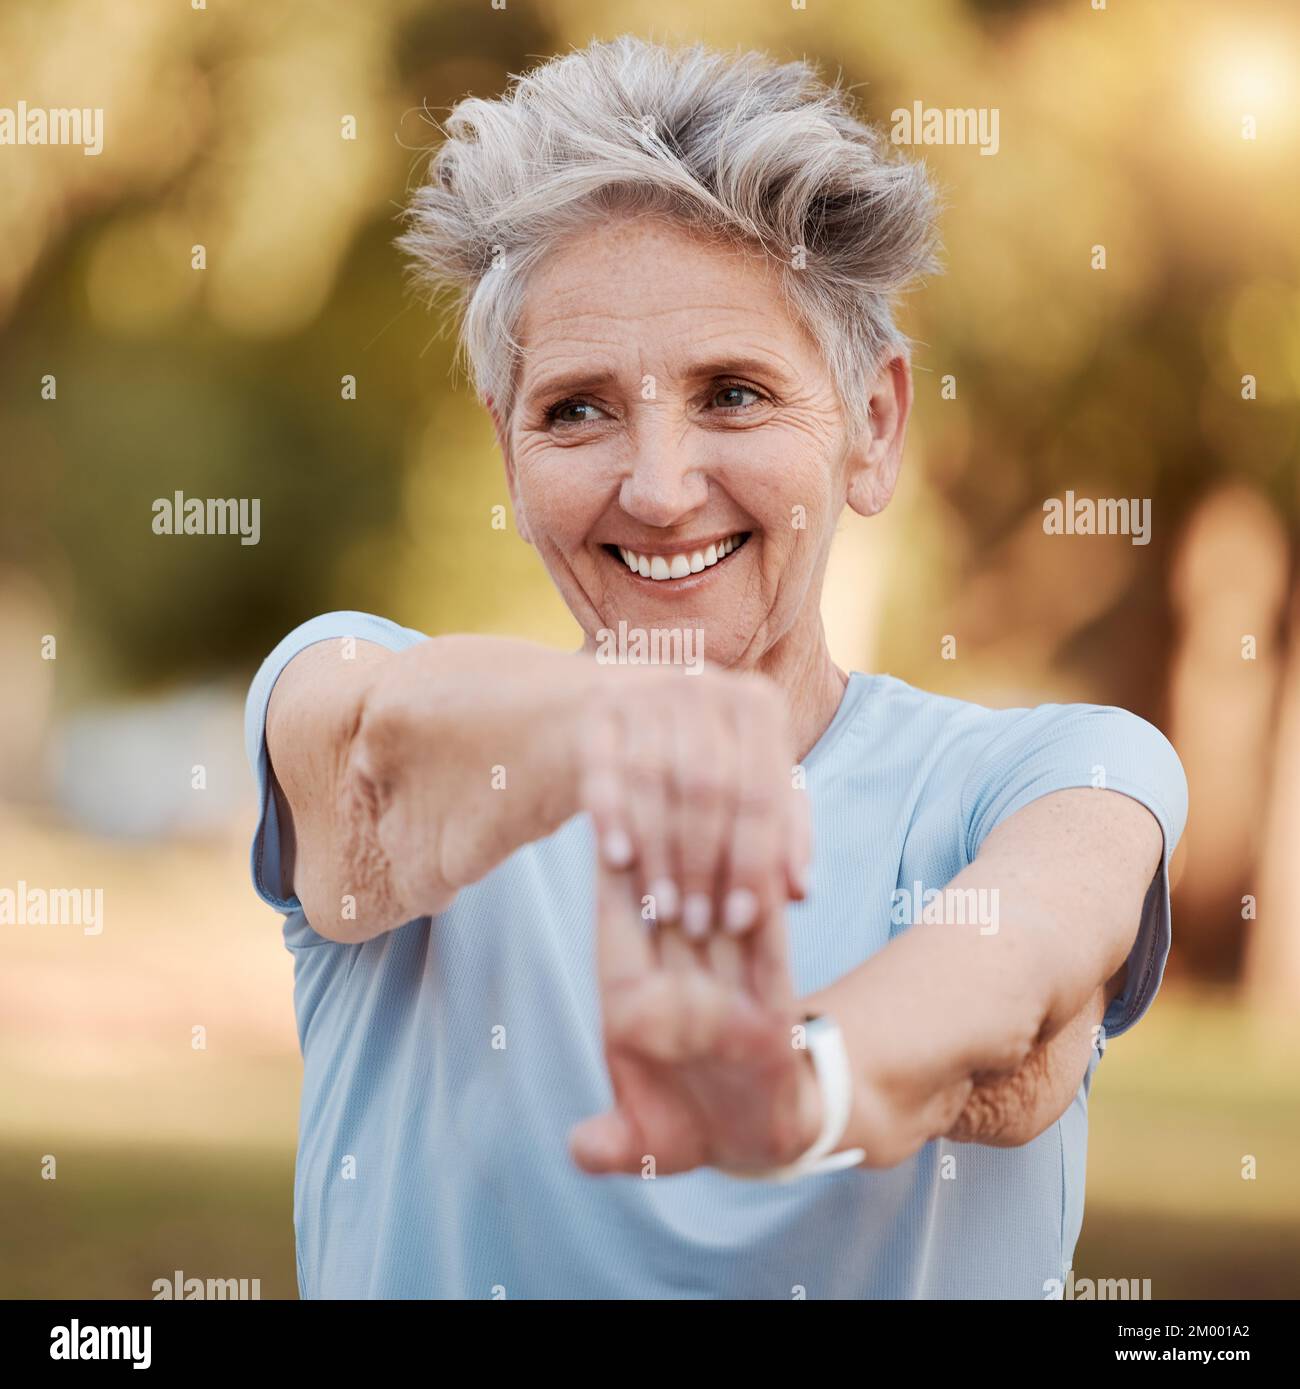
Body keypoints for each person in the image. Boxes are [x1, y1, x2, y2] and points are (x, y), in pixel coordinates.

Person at [244, 36, 1187, 1298]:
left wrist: (789, 1088)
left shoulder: (1054, 771)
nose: (658, 485)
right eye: (576, 407)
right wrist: (625, 725)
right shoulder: (351, 680)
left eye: (733, 394)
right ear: (505, 446)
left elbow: (1019, 989)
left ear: (872, 426)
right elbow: (372, 767)